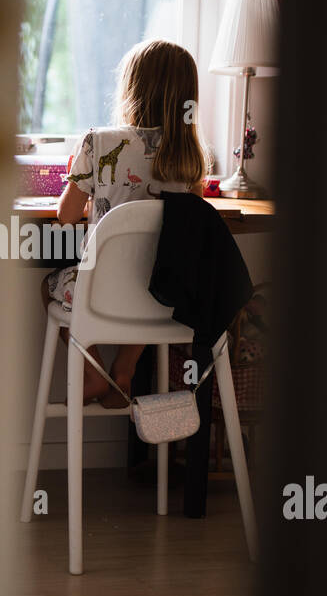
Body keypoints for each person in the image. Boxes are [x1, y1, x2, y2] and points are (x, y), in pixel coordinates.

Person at [41, 38, 207, 407]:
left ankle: (95, 373)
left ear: (131, 89)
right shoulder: (192, 157)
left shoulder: (97, 143)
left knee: (50, 285)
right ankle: (126, 368)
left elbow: (66, 216)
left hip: (101, 292)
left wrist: (88, 192)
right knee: (150, 282)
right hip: (166, 298)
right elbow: (193, 224)